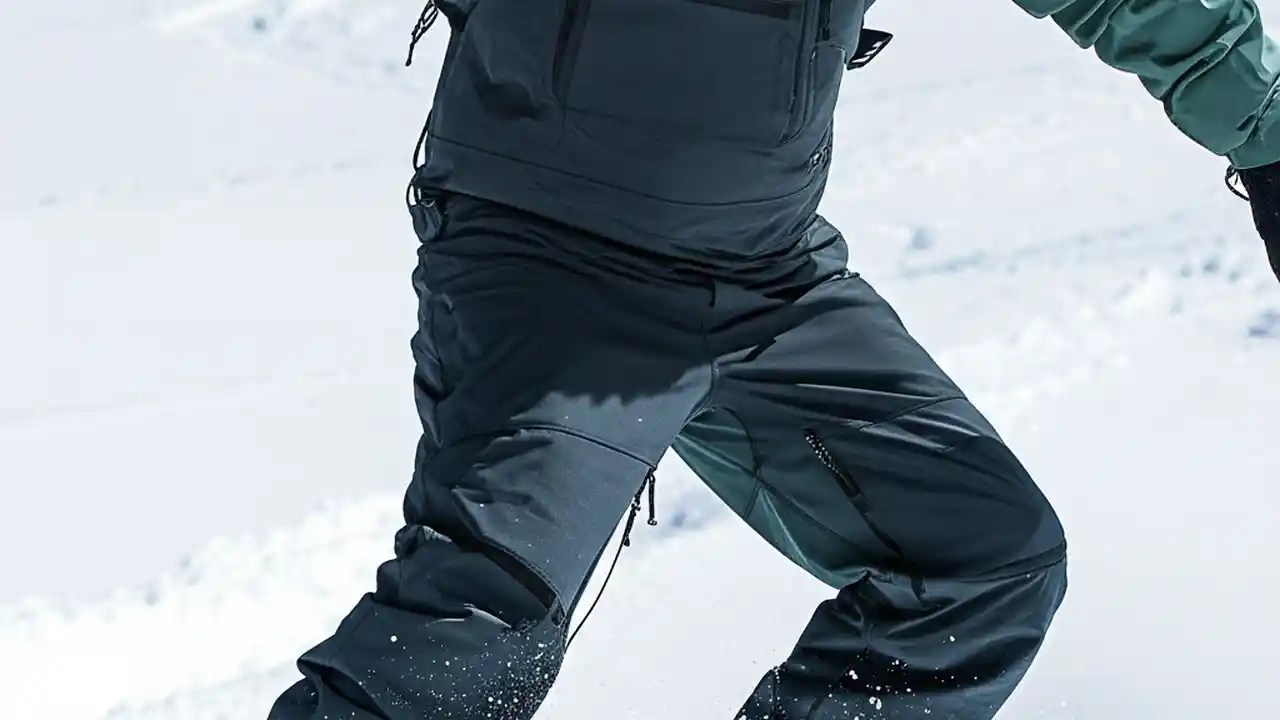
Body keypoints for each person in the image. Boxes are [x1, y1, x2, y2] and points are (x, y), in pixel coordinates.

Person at [269, 0, 1280, 718]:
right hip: (554, 256)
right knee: (477, 630)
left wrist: (1266, 133)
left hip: (763, 271)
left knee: (977, 563)